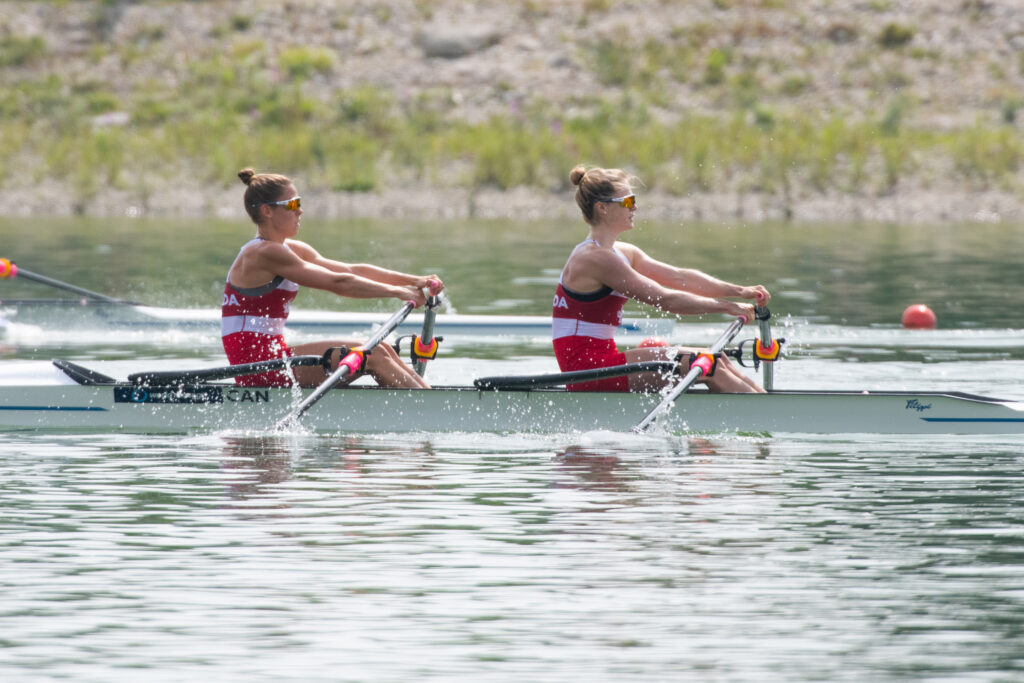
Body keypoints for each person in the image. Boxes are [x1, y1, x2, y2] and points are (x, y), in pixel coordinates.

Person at [553, 165, 769, 393]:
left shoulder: (622, 252)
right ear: (602, 208)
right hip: (586, 371)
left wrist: (739, 290)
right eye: (627, 201)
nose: (634, 206)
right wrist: (729, 307)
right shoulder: (593, 259)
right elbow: (665, 300)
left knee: (718, 359)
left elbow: (680, 278)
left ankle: (763, 406)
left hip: (602, 361)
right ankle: (767, 421)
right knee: (709, 365)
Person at [222, 168, 443, 389]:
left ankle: (424, 397)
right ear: (267, 211)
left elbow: (352, 270)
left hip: (273, 355)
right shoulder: (263, 253)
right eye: (292, 204)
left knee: (381, 348)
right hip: (256, 366)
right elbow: (339, 283)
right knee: (372, 354)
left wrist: (414, 281)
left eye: (299, 202)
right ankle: (430, 411)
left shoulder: (291, 249)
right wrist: (398, 292)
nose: (300, 211)